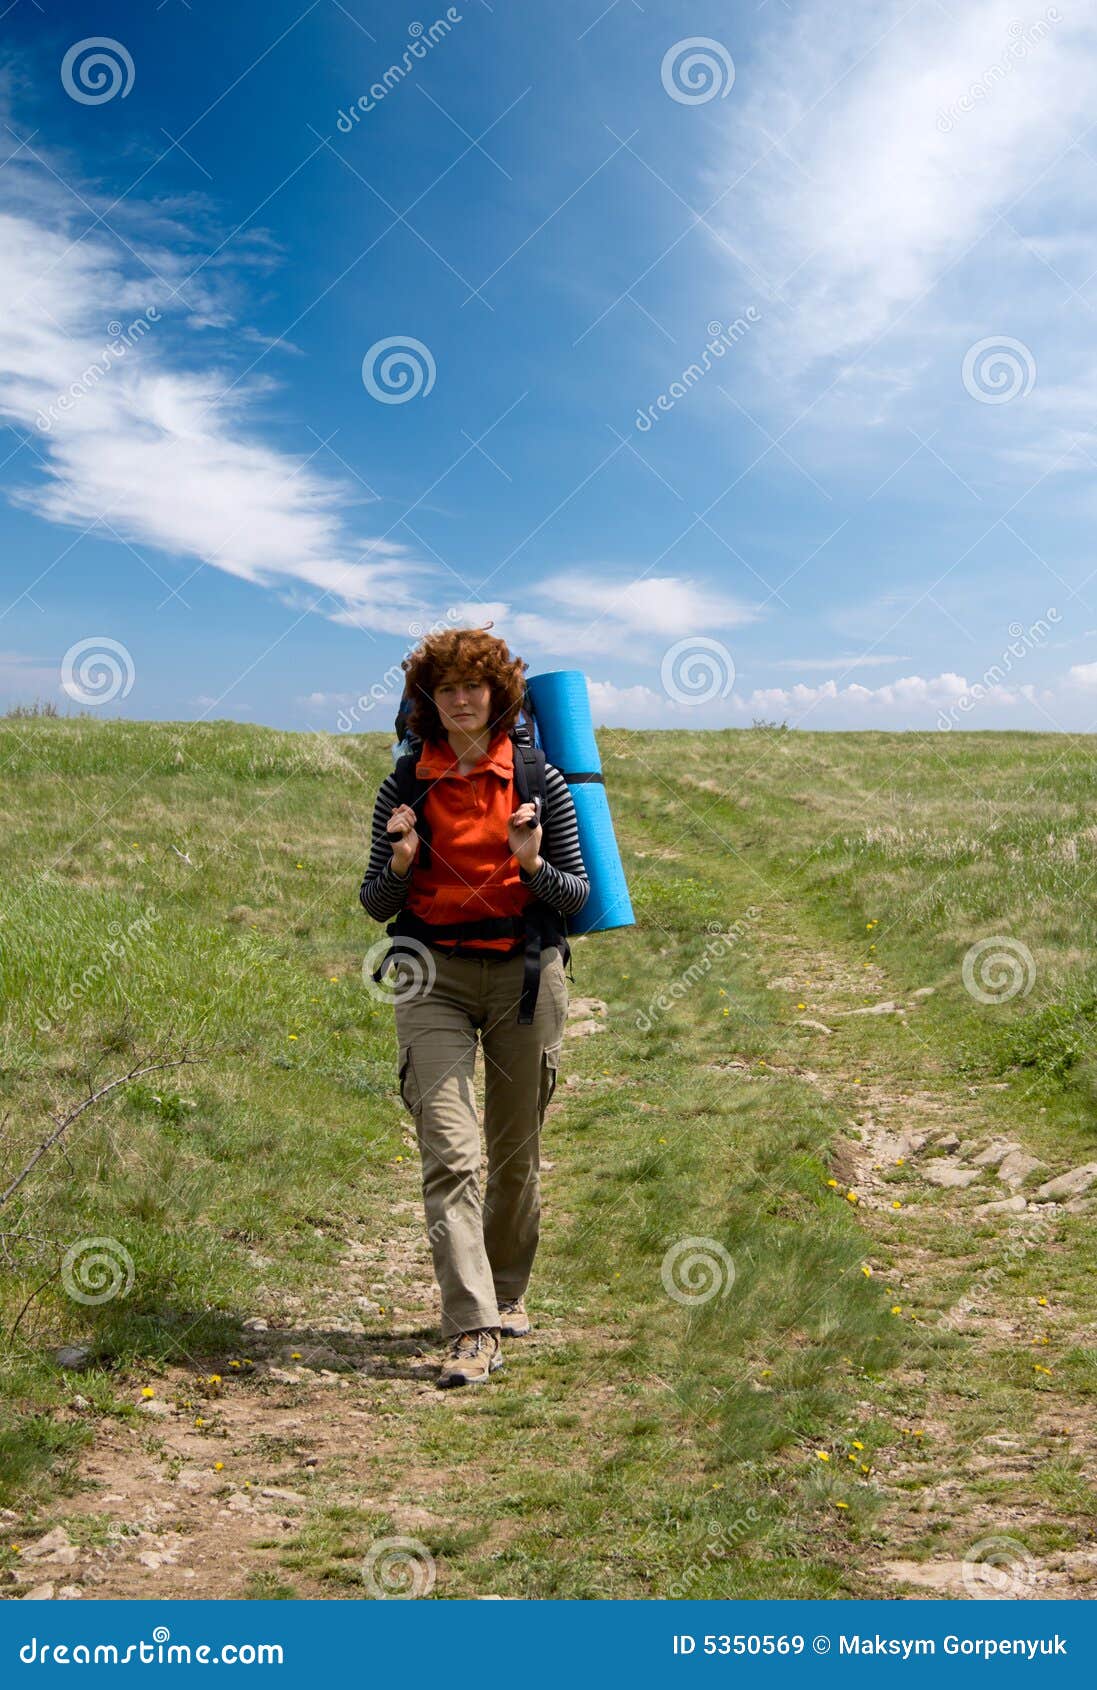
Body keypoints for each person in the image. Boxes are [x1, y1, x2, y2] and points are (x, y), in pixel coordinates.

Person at [360, 628, 589, 1388]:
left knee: (514, 1156)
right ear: (427, 700)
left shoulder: (538, 781)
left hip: (525, 976)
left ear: (498, 695)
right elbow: (375, 904)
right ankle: (471, 1327)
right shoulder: (403, 786)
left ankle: (510, 1288)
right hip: (431, 981)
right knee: (451, 1157)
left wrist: (529, 865)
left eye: (473, 686)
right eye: (444, 688)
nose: (460, 699)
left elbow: (577, 895)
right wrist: (399, 862)